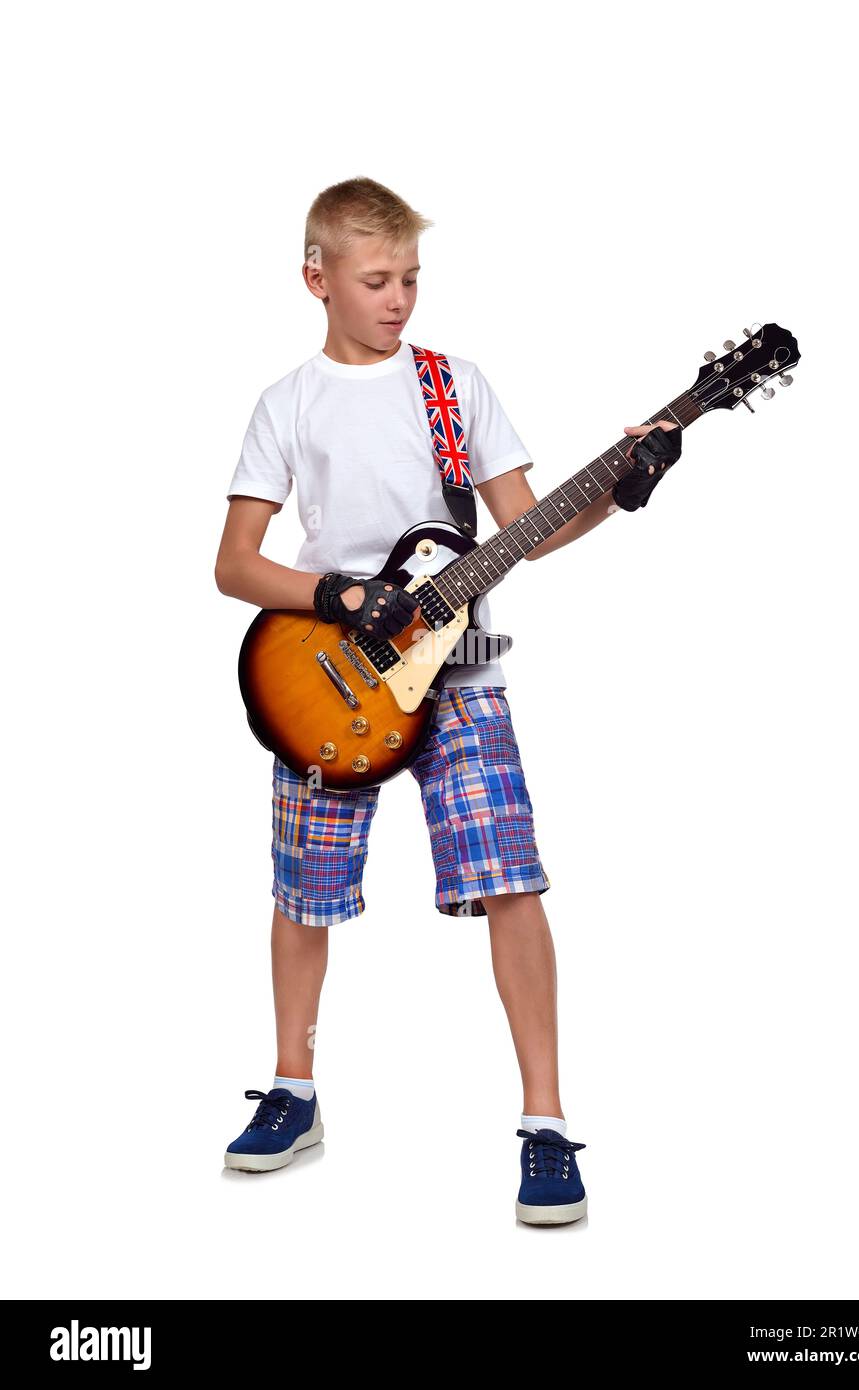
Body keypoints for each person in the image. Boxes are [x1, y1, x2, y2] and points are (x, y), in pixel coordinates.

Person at [214, 176, 682, 1223]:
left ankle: (546, 1125)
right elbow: (235, 565)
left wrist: (621, 486)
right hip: (325, 683)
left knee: (510, 880)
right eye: (376, 279)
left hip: (461, 675)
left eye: (411, 278)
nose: (398, 298)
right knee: (303, 892)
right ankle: (293, 1091)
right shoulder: (285, 403)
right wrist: (337, 590)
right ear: (316, 278)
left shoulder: (452, 384)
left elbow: (530, 526)